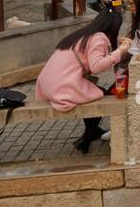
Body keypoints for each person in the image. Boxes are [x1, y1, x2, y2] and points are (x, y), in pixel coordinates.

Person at [35, 9, 132, 153]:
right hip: (61, 87)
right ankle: (89, 134)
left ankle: (91, 131)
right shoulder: (98, 38)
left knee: (96, 93)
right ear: (113, 28)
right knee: (103, 96)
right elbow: (96, 66)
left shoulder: (84, 34)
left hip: (48, 84)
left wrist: (115, 47)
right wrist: (120, 52)